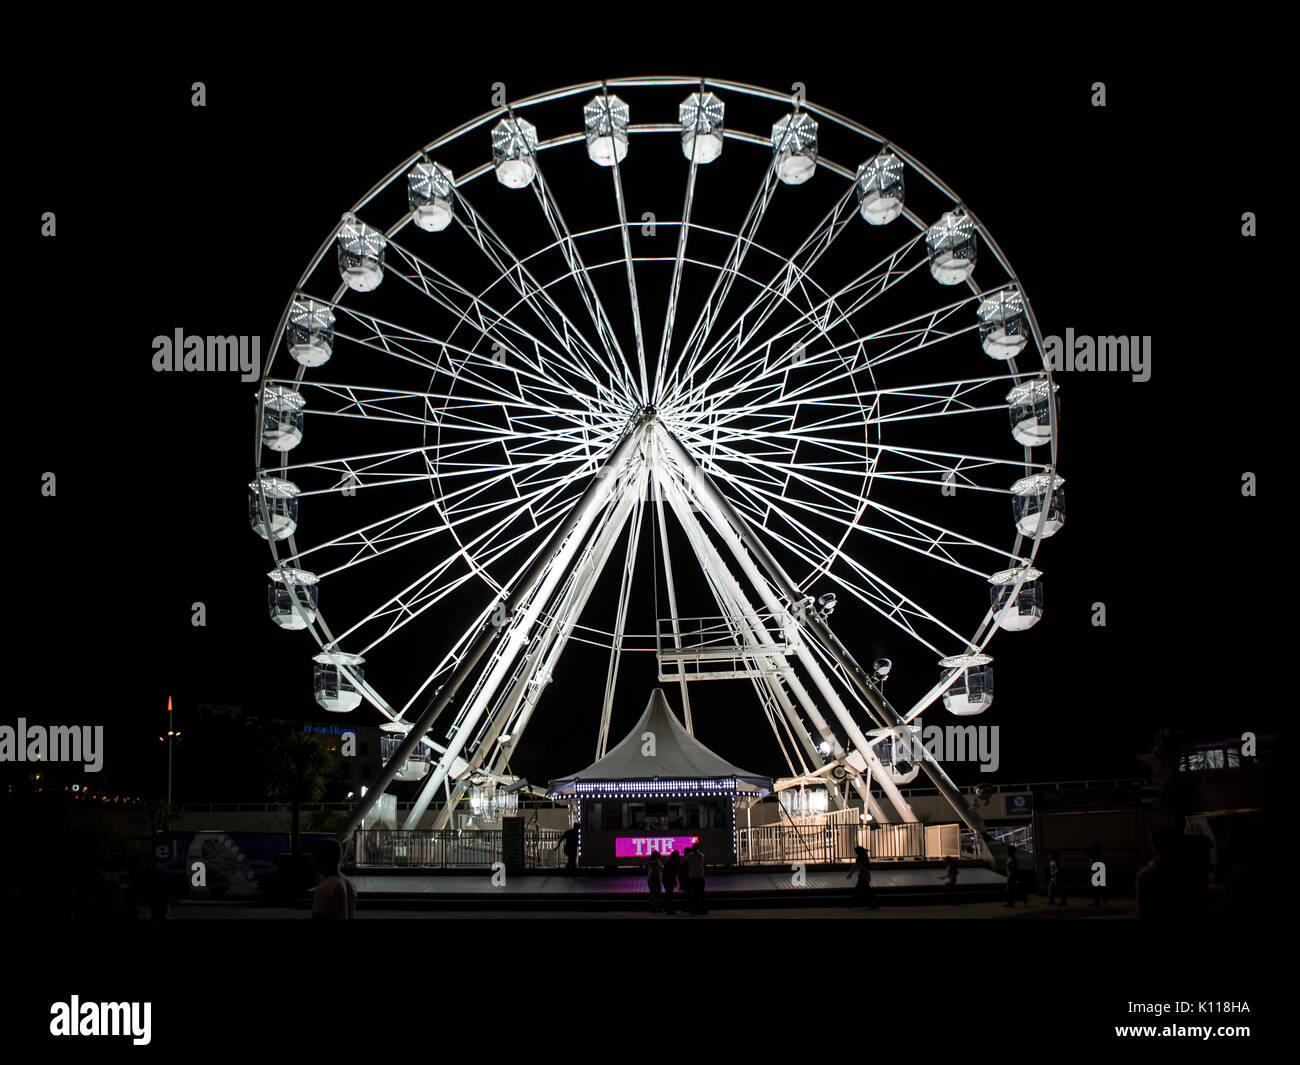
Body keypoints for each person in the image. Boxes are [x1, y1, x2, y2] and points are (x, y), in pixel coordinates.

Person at [310, 839, 357, 920]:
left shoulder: (325, 888)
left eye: (314, 858)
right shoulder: (349, 883)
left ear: (323, 859)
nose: (312, 862)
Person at [686, 844, 707, 914]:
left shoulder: (689, 856)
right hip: (700, 876)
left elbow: (686, 863)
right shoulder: (701, 855)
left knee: (694, 893)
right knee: (702, 893)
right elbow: (703, 864)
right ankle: (703, 909)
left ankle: (695, 909)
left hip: (692, 876)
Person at [662, 849, 681, 915]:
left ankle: (668, 909)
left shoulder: (669, 861)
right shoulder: (674, 862)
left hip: (666, 879)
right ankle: (669, 909)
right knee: (669, 894)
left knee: (668, 894)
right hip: (669, 879)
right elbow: (674, 872)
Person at [1087, 841, 1105, 907]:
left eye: (1091, 847)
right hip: (1098, 871)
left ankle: (1097, 902)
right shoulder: (1095, 855)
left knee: (1096, 888)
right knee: (1098, 888)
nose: (1090, 848)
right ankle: (1103, 898)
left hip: (1097, 872)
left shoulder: (1094, 856)